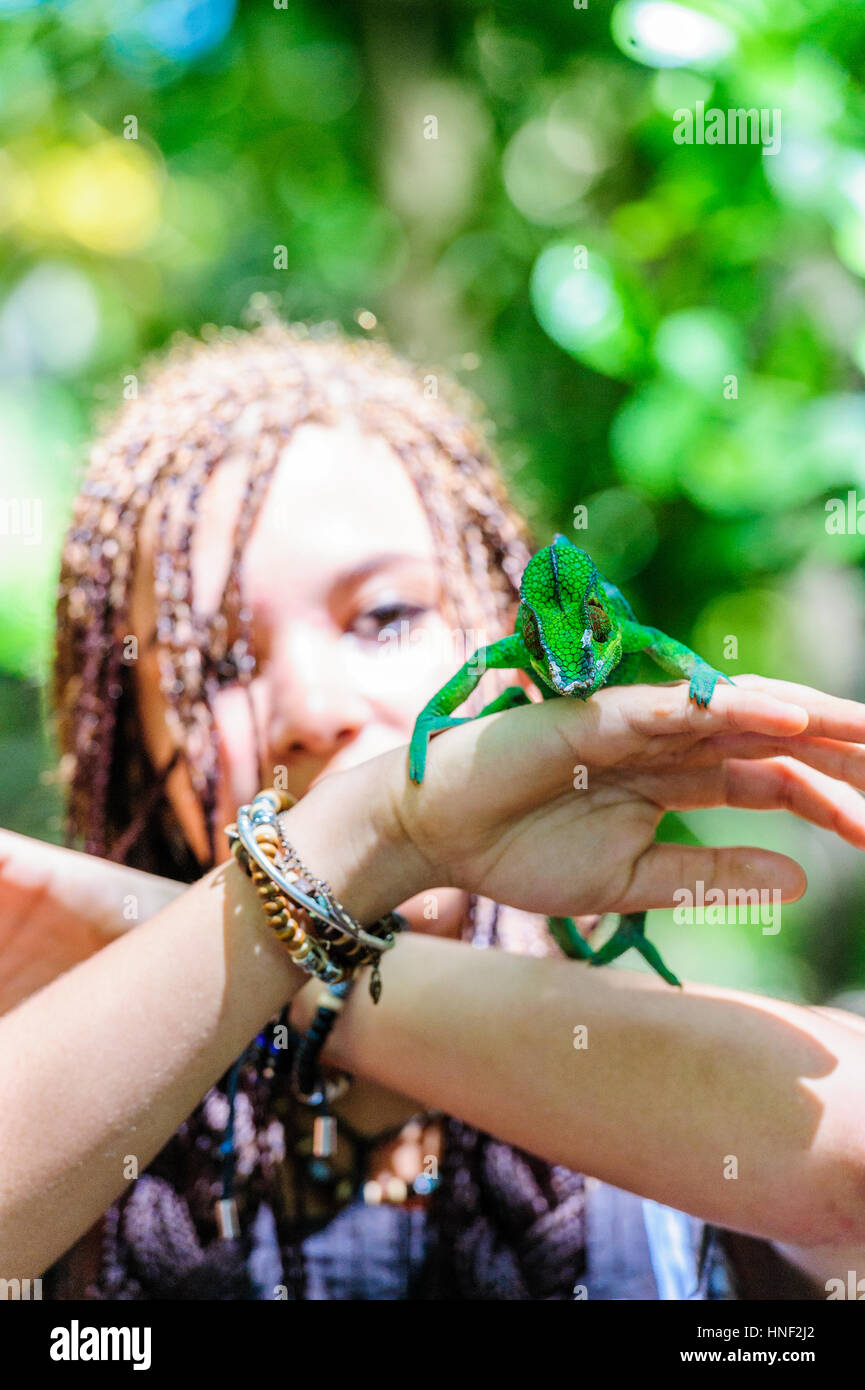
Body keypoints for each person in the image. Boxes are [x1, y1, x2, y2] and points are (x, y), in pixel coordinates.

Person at [2, 321, 865, 1300]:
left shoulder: (683, 1108)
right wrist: (287, 905)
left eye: (383, 616)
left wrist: (276, 921)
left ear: (505, 626)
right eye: (222, 664)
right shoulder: (65, 1116)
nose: (317, 709)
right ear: (133, 741)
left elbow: (849, 1162)